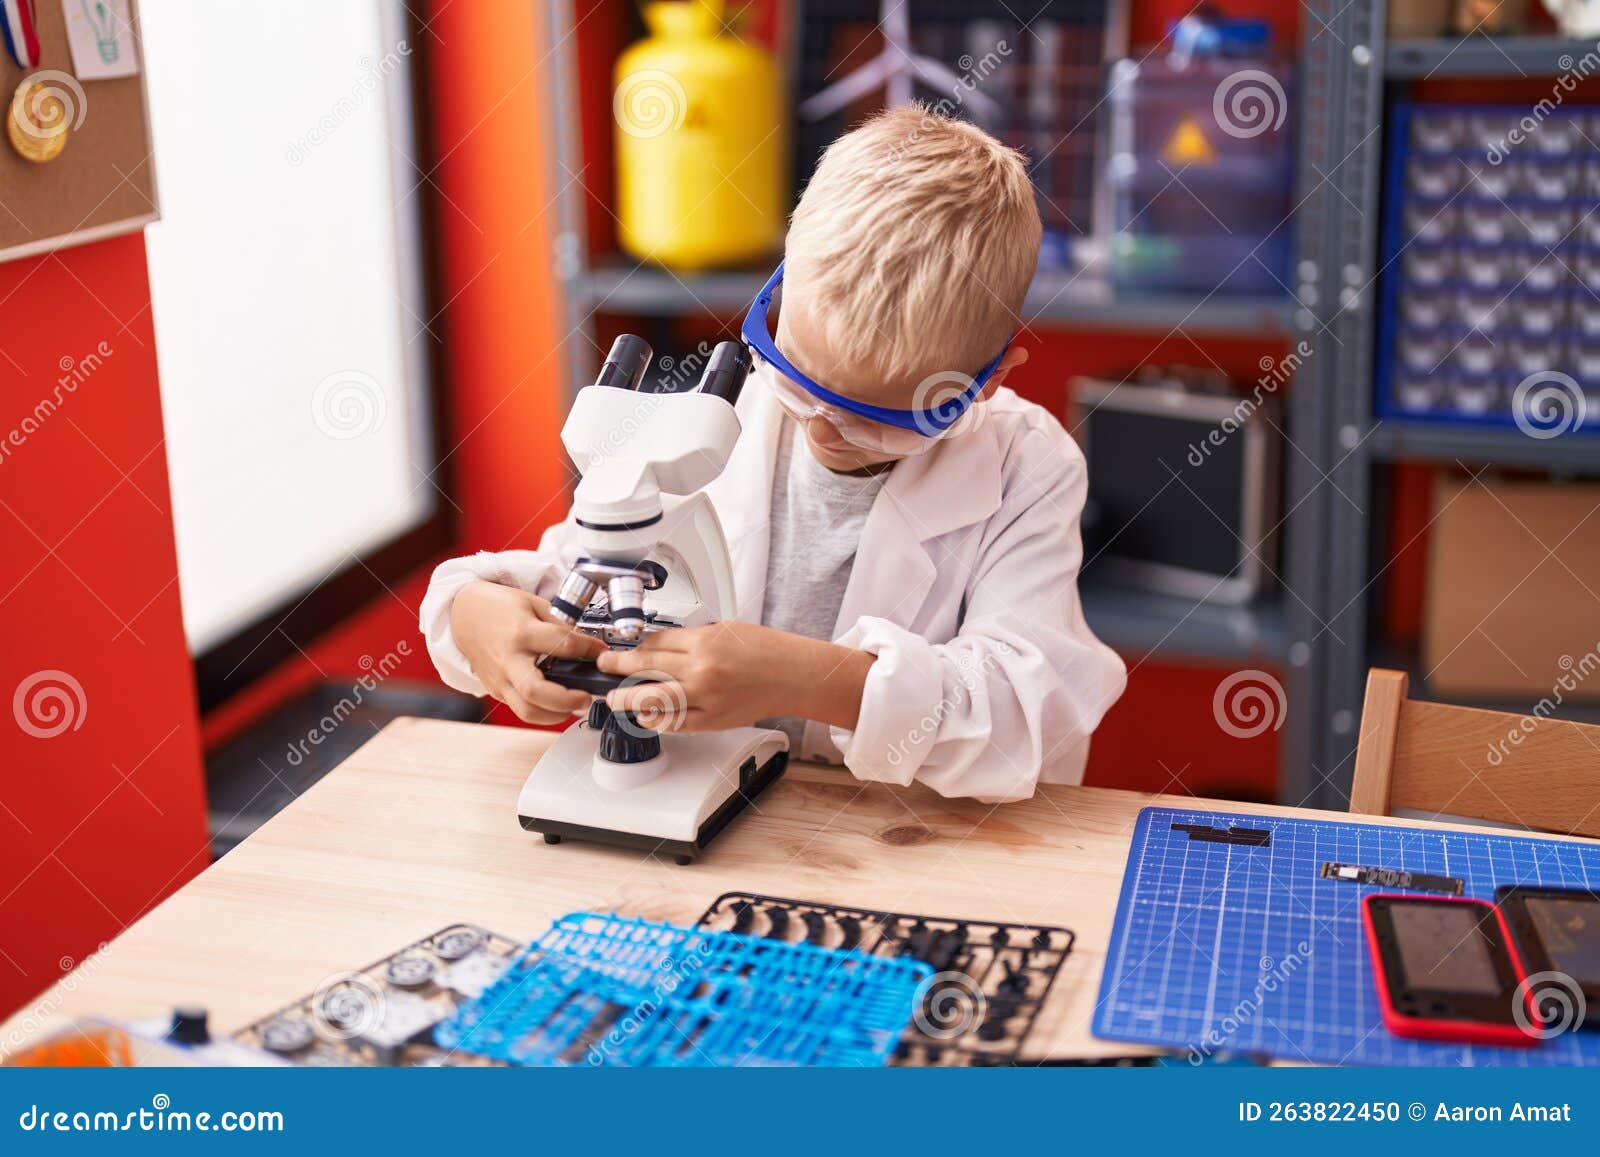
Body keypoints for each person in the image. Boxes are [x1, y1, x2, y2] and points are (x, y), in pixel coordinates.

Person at [420, 105, 1126, 802]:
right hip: (717, 813)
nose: (822, 428)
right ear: (778, 296)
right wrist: (471, 612)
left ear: (985, 383)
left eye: (870, 418)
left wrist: (809, 678)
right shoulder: (704, 417)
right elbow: (578, 572)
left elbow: (1024, 718)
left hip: (899, 838)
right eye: (797, 381)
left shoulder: (1028, 468)